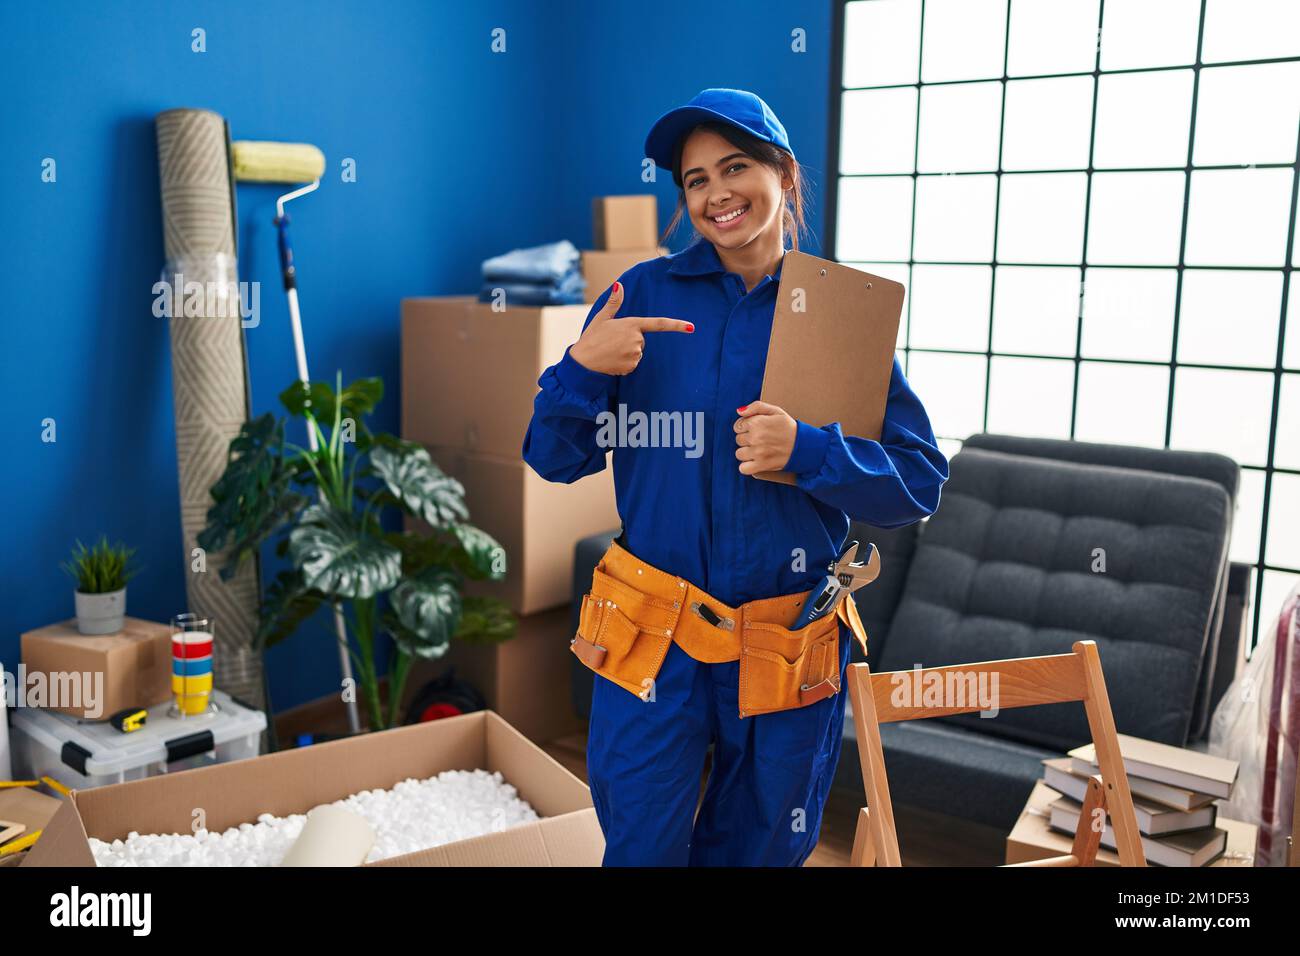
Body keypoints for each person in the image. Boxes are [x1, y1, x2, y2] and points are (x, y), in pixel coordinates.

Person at [522, 88, 949, 866]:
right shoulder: (640, 297)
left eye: (737, 166)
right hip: (652, 642)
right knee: (642, 851)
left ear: (784, 174)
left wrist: (810, 453)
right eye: (694, 180)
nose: (717, 193)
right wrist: (581, 370)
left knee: (758, 853)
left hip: (786, 650)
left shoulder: (841, 313)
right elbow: (553, 458)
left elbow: (918, 482)